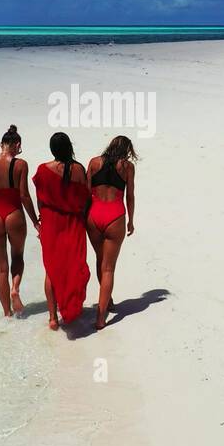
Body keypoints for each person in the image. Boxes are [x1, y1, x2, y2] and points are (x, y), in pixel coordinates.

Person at [32, 133, 91, 330]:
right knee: (75, 266)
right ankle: (72, 307)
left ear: (52, 149)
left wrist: (41, 219)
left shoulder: (42, 169)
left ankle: (52, 317)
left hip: (50, 222)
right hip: (73, 223)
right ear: (69, 147)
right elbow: (84, 200)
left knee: (51, 269)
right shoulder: (79, 170)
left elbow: (40, 200)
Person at [0, 125, 38, 316]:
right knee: (18, 257)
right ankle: (15, 288)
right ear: (17, 145)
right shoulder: (20, 165)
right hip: (14, 214)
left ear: (1, 144)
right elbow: (24, 196)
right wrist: (35, 220)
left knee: (0, 267)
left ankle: (7, 313)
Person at [86, 136, 137, 331]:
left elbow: (85, 191)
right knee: (108, 268)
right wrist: (131, 220)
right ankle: (100, 318)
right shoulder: (127, 167)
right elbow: (130, 196)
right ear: (126, 150)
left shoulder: (94, 162)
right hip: (114, 216)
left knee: (100, 260)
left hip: (93, 216)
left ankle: (108, 301)